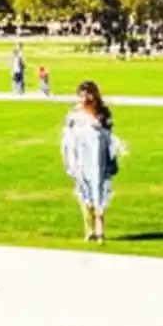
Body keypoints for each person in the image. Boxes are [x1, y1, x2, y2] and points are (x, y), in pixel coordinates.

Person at [60, 81, 122, 244]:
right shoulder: (73, 117)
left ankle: (100, 229)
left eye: (87, 94)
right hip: (81, 160)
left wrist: (112, 158)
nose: (84, 98)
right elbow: (67, 141)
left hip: (99, 159)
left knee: (100, 193)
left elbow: (110, 139)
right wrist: (69, 160)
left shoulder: (102, 115)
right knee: (84, 194)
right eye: (81, 95)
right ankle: (89, 229)